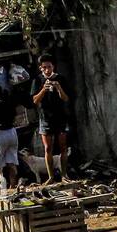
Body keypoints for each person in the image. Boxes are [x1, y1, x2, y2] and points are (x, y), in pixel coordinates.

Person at [30, 54, 72, 184]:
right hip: (45, 118)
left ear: (53, 66)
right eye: (44, 68)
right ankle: (51, 177)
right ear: (40, 68)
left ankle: (64, 175)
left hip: (60, 117)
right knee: (48, 148)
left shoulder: (61, 79)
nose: (47, 70)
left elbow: (66, 98)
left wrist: (58, 88)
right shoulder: (37, 81)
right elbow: (35, 101)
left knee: (63, 147)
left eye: (49, 67)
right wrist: (43, 90)